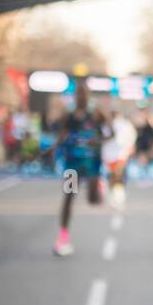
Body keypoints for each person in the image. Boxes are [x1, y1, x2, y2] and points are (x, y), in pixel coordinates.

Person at [52, 86, 111, 256]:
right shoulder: (68, 115)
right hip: (72, 164)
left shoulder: (96, 114)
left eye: (84, 95)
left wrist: (98, 140)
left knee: (93, 200)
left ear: (89, 96)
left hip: (92, 163)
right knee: (69, 197)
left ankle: (99, 188)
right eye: (78, 95)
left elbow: (110, 133)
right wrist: (56, 147)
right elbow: (60, 133)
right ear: (75, 97)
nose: (81, 98)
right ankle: (63, 237)